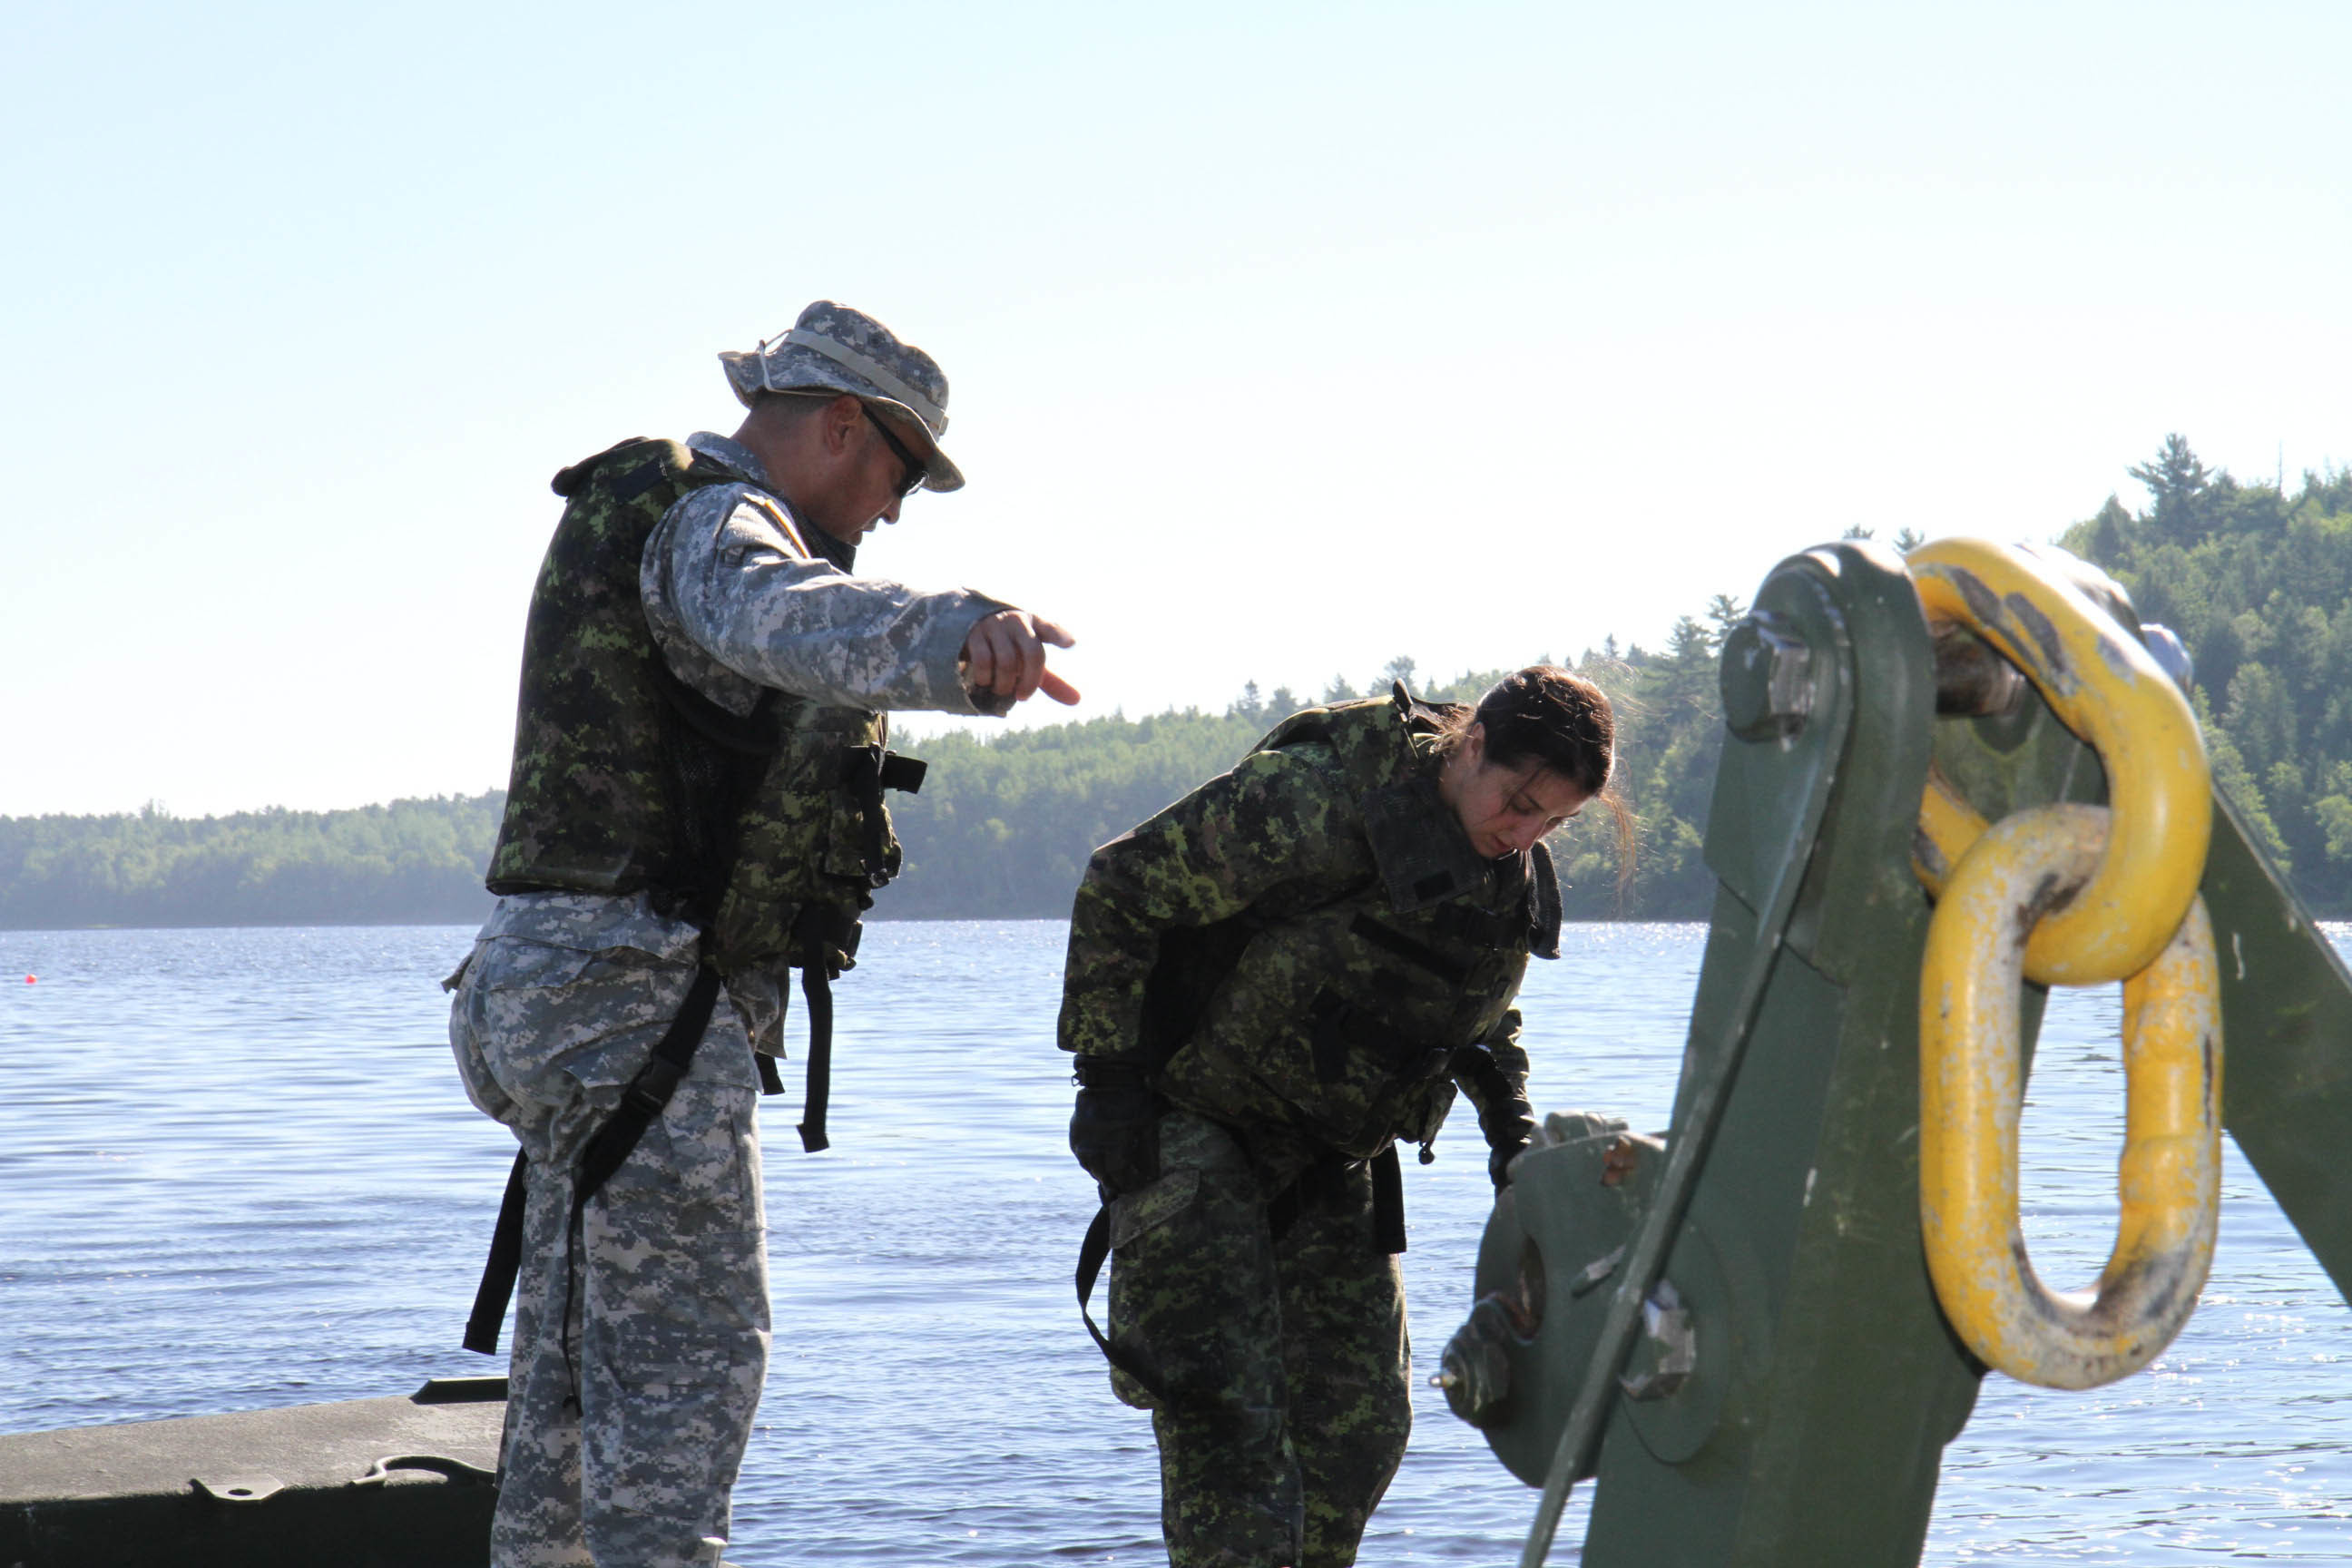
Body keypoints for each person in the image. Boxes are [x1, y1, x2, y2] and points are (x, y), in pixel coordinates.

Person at [447, 300, 1076, 1568]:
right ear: (843, 426)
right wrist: (957, 637)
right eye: (902, 473)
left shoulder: (657, 510)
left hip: (545, 992)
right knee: (685, 1382)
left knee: (569, 1387)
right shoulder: (718, 521)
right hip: (634, 1008)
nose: (894, 511)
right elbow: (779, 616)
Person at [1057, 667, 1623, 1568]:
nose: (1524, 834)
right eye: (1519, 804)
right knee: (1228, 1420)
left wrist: (1511, 1130)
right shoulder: (1316, 803)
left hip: (1334, 1155)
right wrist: (1106, 1079)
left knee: (1361, 1426)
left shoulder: (1500, 870)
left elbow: (1481, 1009)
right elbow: (1122, 884)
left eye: (1552, 822)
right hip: (1200, 1120)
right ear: (1473, 744)